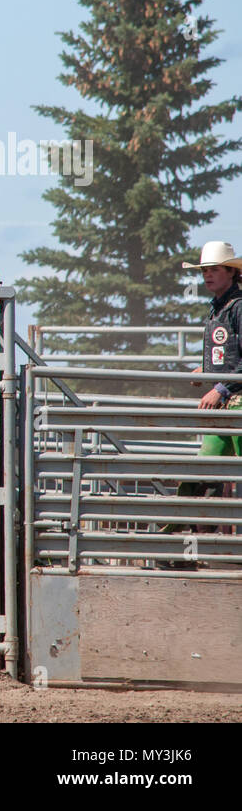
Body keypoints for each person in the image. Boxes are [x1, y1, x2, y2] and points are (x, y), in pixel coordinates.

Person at [160, 241, 242, 568]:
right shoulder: (219, 307)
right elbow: (228, 356)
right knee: (201, 472)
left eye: (214, 269)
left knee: (203, 472)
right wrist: (205, 371)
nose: (207, 274)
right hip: (228, 406)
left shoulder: (237, 307)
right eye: (204, 270)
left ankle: (175, 544)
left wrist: (219, 387)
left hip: (236, 402)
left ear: (231, 272)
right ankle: (176, 548)